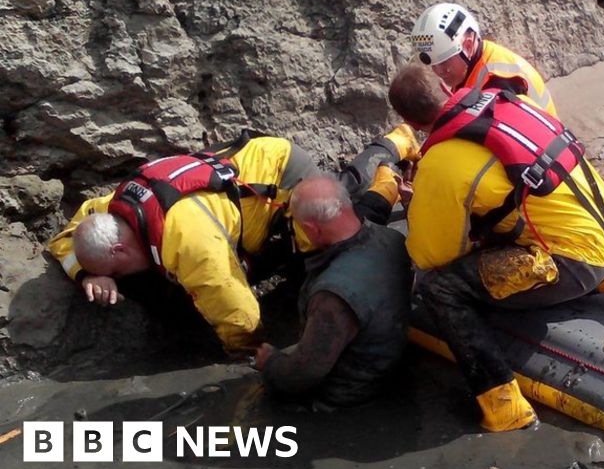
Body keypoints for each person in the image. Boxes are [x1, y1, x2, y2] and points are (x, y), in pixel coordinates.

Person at [388, 63, 604, 433]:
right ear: (448, 90)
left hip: (574, 260)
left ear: (412, 124)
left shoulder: (443, 163)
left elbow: (430, 256)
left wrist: (416, 205)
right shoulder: (507, 103)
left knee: (439, 288)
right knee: (510, 213)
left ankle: (502, 405)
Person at [48, 127, 420, 352]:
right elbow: (65, 238)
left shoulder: (187, 240)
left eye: (119, 269)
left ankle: (389, 160)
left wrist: (248, 353)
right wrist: (88, 273)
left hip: (279, 178)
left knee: (338, 238)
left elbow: (240, 316)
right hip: (244, 189)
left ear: (119, 247)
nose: (123, 277)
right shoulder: (113, 208)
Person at [254, 175, 411, 408]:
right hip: (392, 363)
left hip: (347, 395)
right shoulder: (393, 239)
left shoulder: (333, 295)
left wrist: (270, 363)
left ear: (311, 229)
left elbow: (302, 375)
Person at [410, 2, 558, 115]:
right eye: (433, 65)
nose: (439, 71)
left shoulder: (500, 81)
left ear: (468, 46)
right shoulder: (472, 65)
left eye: (444, 62)